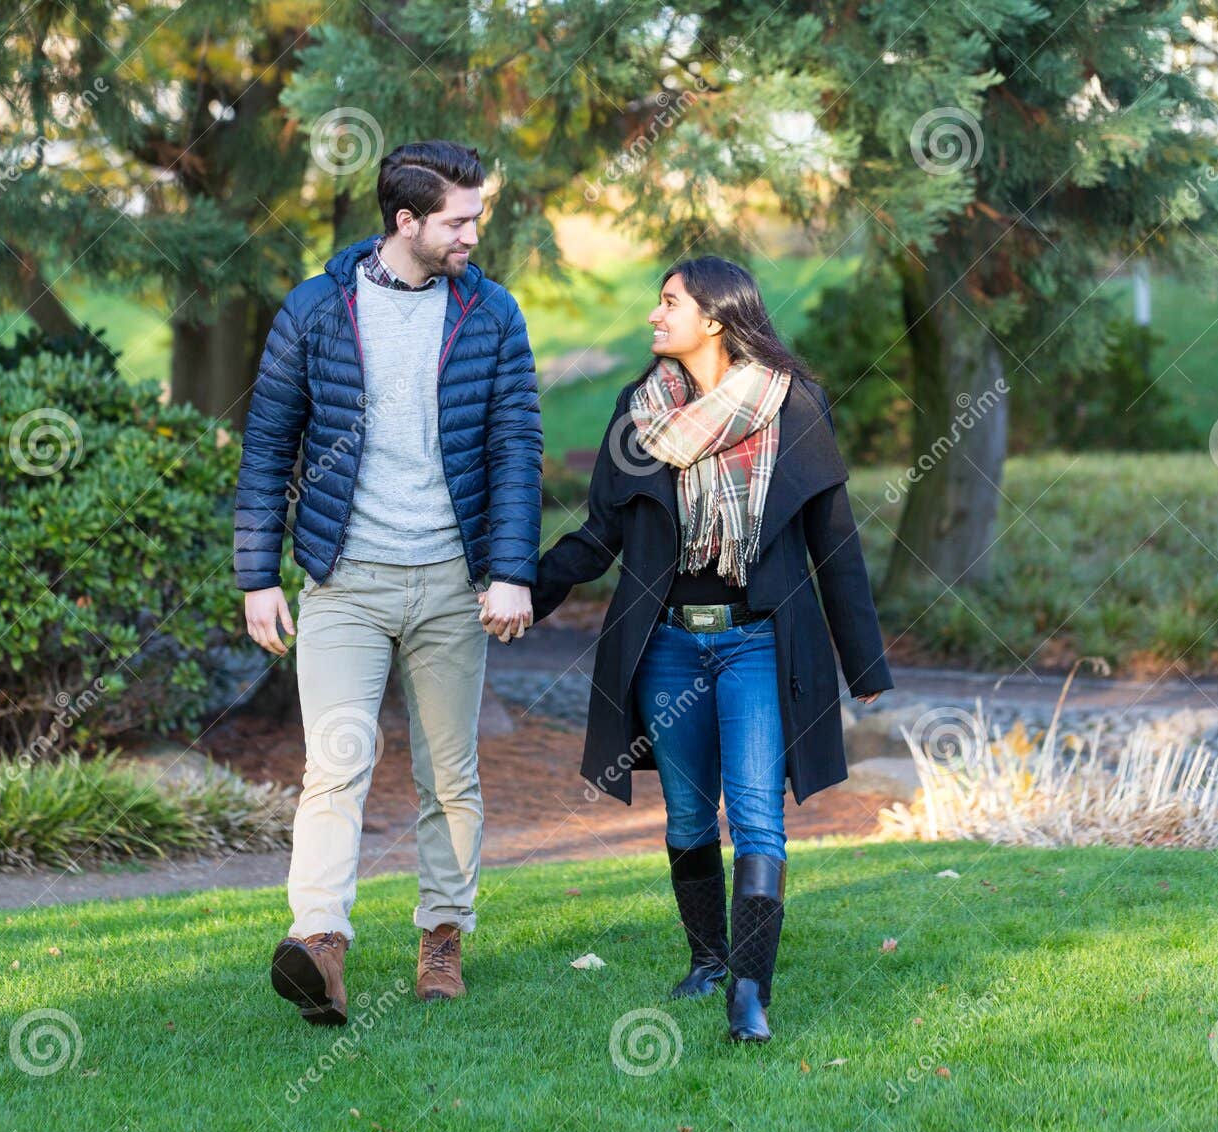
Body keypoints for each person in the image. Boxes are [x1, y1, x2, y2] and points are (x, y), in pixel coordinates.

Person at [485, 256, 892, 1042]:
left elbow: (832, 540)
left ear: (715, 318)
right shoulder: (638, 413)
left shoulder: (793, 406)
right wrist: (521, 592)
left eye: (668, 302)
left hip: (759, 643)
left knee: (757, 818)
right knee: (685, 819)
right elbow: (600, 533)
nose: (653, 314)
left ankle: (749, 989)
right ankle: (707, 961)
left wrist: (863, 662)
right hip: (666, 646)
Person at [234, 141, 542, 1027]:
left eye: (476, 216)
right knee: (334, 764)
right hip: (344, 579)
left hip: (452, 579)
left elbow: (517, 445)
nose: (472, 234)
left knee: (452, 776)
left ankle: (441, 931)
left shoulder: (491, 313)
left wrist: (511, 569)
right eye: (457, 219)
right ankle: (320, 941)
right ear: (404, 221)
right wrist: (260, 574)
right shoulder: (317, 309)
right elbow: (267, 447)